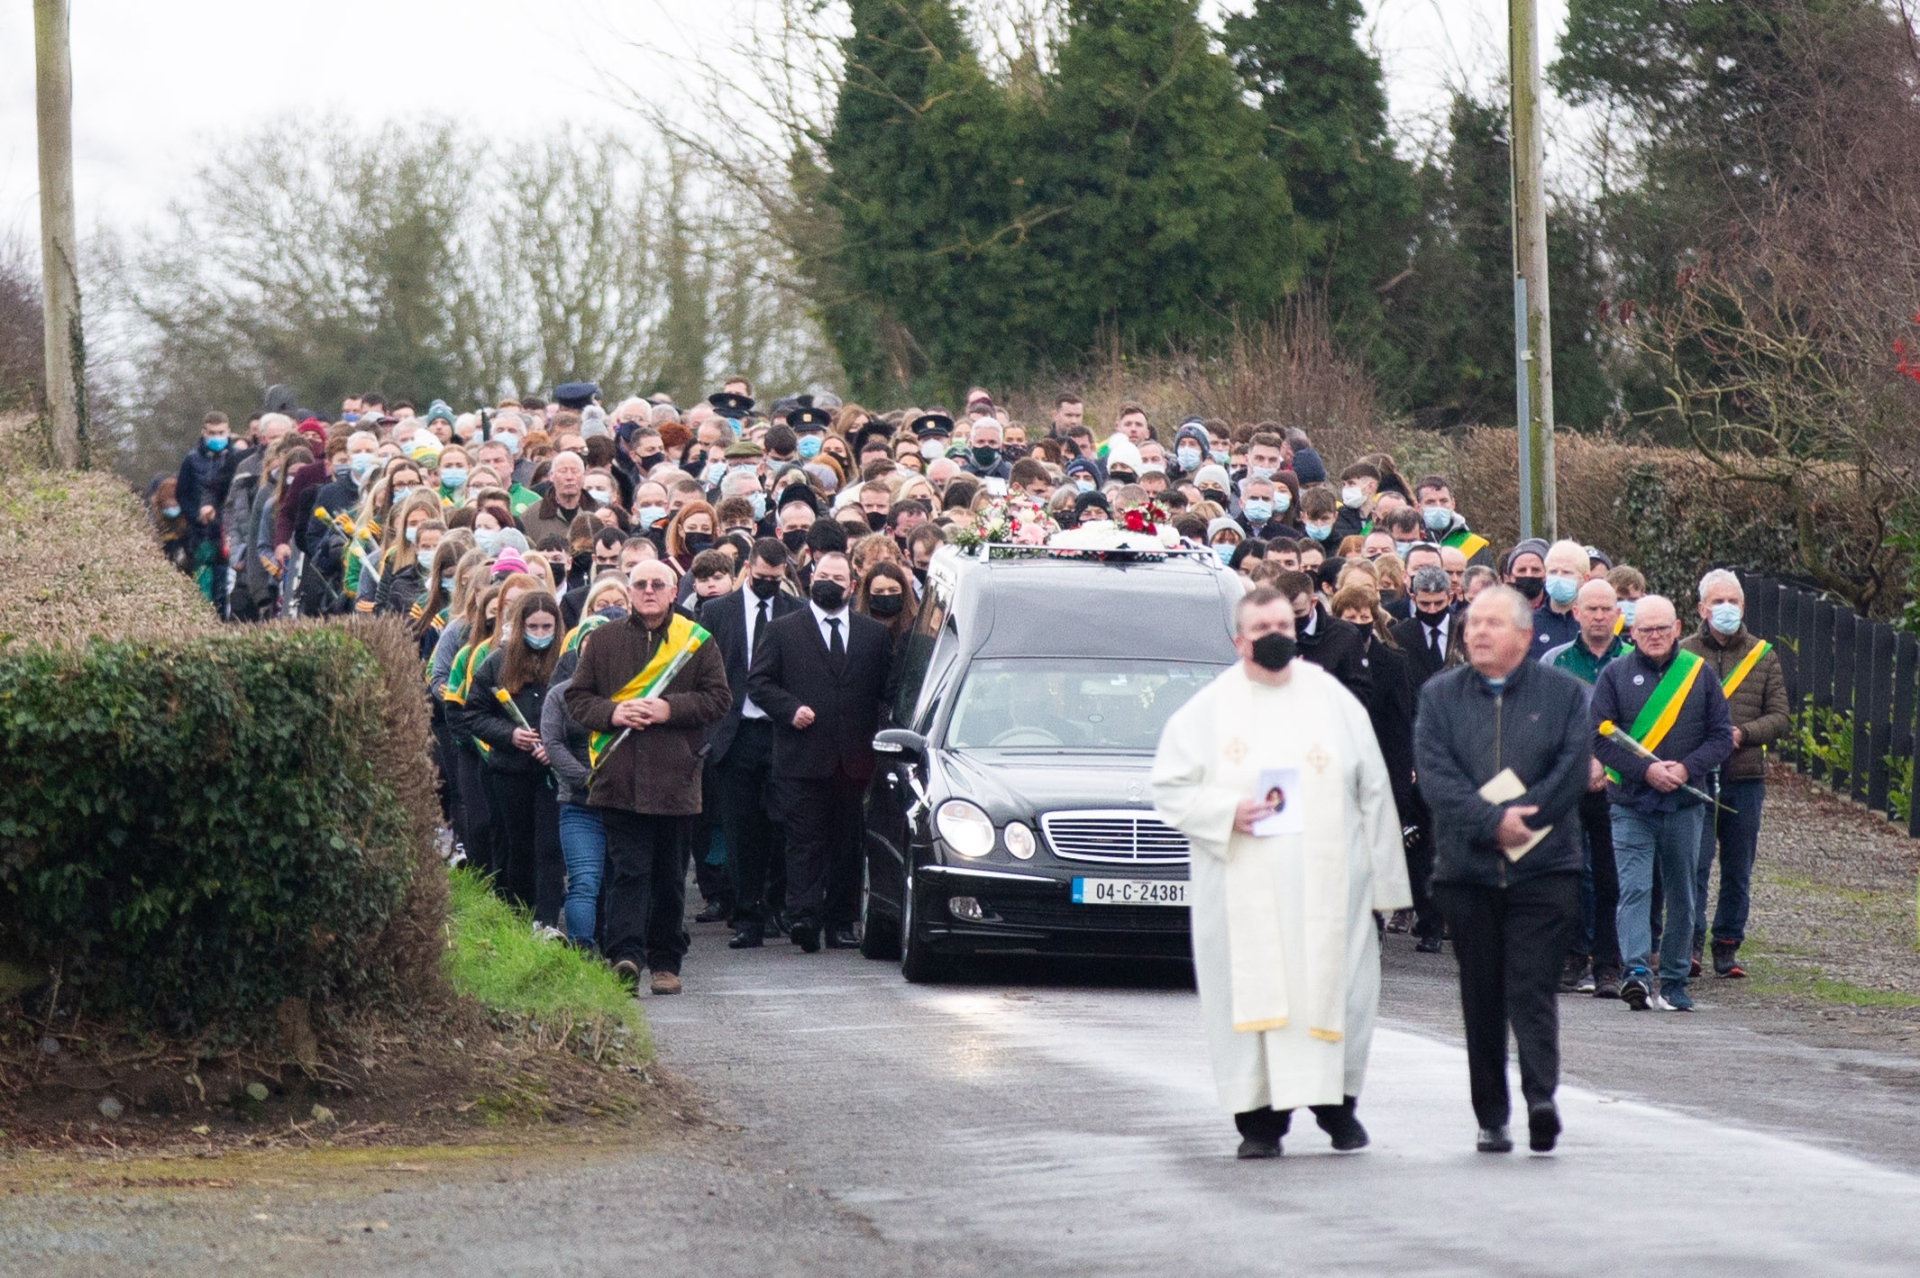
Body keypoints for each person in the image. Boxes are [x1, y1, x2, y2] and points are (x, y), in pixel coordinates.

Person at [1151, 587, 1411, 1159]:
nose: (1275, 636)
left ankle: (1338, 1109)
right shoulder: (1207, 711)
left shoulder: (1334, 700)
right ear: (1237, 640)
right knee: (1252, 999)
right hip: (1243, 884)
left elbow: (1373, 790)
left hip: (1331, 890)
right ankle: (1259, 1124)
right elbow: (1169, 788)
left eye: (1283, 626)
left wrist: (1388, 887)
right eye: (1262, 627)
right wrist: (1225, 811)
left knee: (1338, 995)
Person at [1415, 586, 1592, 1154]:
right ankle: (1491, 1112)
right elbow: (1436, 775)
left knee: (1532, 984)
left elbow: (1570, 769)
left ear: (1522, 634)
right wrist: (1491, 823)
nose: (1478, 632)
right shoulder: (1440, 696)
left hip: (1544, 870)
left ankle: (1541, 1096)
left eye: (1493, 623)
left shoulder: (1564, 694)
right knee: (1481, 993)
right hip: (1468, 873)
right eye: (1473, 624)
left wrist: (1527, 820)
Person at [565, 560, 732, 994]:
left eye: (658, 584)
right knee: (627, 873)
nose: (649, 591)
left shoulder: (696, 642)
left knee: (669, 878)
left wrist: (669, 709)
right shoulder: (601, 642)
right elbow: (577, 699)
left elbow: (718, 700)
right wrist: (613, 712)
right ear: (629, 591)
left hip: (676, 780)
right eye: (640, 585)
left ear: (675, 590)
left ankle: (665, 962)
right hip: (617, 779)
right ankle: (625, 956)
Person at [1590, 595, 1735, 1013]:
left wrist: (1686, 769)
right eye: (1646, 629)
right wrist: (1645, 771)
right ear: (1631, 632)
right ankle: (1635, 973)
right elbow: (1599, 736)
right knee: (1634, 888)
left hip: (1684, 805)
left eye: (1662, 629)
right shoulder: (1615, 675)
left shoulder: (1699, 675)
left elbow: (1721, 737)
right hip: (1630, 803)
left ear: (1677, 628)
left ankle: (1672, 979)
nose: (1654, 636)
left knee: (1682, 892)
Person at [746, 549, 895, 952]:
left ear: (852, 584)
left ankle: (841, 921)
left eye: (838, 576)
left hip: (854, 761)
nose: (830, 582)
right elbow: (759, 683)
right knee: (804, 842)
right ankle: (804, 917)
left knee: (848, 842)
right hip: (801, 757)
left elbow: (887, 693)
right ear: (812, 579)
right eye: (823, 575)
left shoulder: (873, 635)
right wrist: (789, 709)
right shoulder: (782, 630)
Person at [1681, 570, 1789, 980]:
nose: (1725, 609)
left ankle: (1727, 945)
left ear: (1743, 607)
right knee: (1695, 862)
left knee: (1738, 867)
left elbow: (1779, 717)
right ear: (1702, 609)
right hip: (1697, 778)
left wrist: (1743, 734)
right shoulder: (1683, 652)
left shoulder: (1764, 656)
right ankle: (1689, 941)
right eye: (1717, 601)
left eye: (1733, 602)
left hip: (1744, 777)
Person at [1542, 578, 1630, 998]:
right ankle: (1572, 955)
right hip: (1568, 783)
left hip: (1619, 786)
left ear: (1618, 614)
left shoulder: (1634, 662)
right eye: (1590, 608)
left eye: (1605, 609)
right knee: (1568, 871)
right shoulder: (1554, 662)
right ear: (1576, 612)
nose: (1598, 616)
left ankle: (1609, 962)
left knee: (1613, 877)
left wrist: (1606, 764)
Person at [466, 590, 565, 928]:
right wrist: (509, 735)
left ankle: (548, 920)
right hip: (510, 771)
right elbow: (474, 714)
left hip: (553, 772)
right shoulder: (496, 662)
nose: (540, 634)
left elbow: (581, 710)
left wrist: (555, 744)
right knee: (518, 846)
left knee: (550, 847)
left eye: (546, 627)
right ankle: (521, 915)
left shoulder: (567, 662)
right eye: (533, 627)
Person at [1271, 570, 1371, 703]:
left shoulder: (1344, 635)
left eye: (1298, 612)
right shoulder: (1266, 633)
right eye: (1284, 613)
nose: (1291, 619)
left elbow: (1362, 693)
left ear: (1313, 602)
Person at [1412, 476, 1494, 568]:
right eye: (1430, 502)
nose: (1438, 507)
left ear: (1453, 504)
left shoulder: (1474, 546)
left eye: (1443, 501)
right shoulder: (1411, 542)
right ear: (1417, 507)